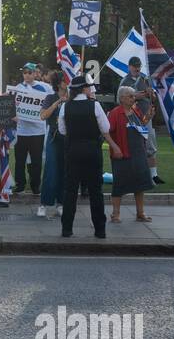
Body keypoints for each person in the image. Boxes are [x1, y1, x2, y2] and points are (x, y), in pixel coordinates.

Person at [57, 75, 118, 239]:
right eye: (89, 86)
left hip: (72, 150)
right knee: (95, 192)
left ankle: (67, 229)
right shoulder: (95, 105)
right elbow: (106, 127)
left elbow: (62, 131)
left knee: (70, 191)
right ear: (84, 88)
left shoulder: (65, 107)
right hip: (92, 150)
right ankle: (100, 230)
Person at [108, 86, 155, 223]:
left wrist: (149, 116)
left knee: (140, 184)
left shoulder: (135, 110)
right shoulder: (115, 113)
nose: (133, 98)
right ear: (122, 98)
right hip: (122, 153)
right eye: (130, 96)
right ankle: (115, 214)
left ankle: (140, 213)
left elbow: (142, 124)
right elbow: (107, 132)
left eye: (133, 96)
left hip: (138, 152)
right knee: (119, 184)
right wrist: (115, 147)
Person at [118, 56, 162, 185]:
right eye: (134, 66)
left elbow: (153, 98)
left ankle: (154, 175)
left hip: (146, 117)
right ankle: (134, 175)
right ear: (129, 66)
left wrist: (151, 93)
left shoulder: (145, 79)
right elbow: (120, 98)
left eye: (138, 66)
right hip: (131, 119)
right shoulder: (124, 81)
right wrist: (139, 94)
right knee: (133, 147)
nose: (137, 68)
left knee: (150, 147)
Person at [8, 62, 50, 195]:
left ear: (35, 73)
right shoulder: (18, 88)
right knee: (19, 160)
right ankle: (20, 185)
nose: (27, 75)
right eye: (24, 73)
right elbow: (11, 105)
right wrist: (13, 115)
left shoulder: (45, 88)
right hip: (22, 130)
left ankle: (35, 185)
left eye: (29, 73)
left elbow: (51, 102)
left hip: (38, 130)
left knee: (36, 160)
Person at [38, 71, 69, 218]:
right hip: (53, 137)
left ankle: (61, 204)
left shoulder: (73, 98)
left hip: (68, 139)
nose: (66, 82)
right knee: (51, 170)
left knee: (65, 171)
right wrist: (58, 102)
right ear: (58, 83)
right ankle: (44, 203)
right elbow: (43, 115)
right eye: (64, 80)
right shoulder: (50, 97)